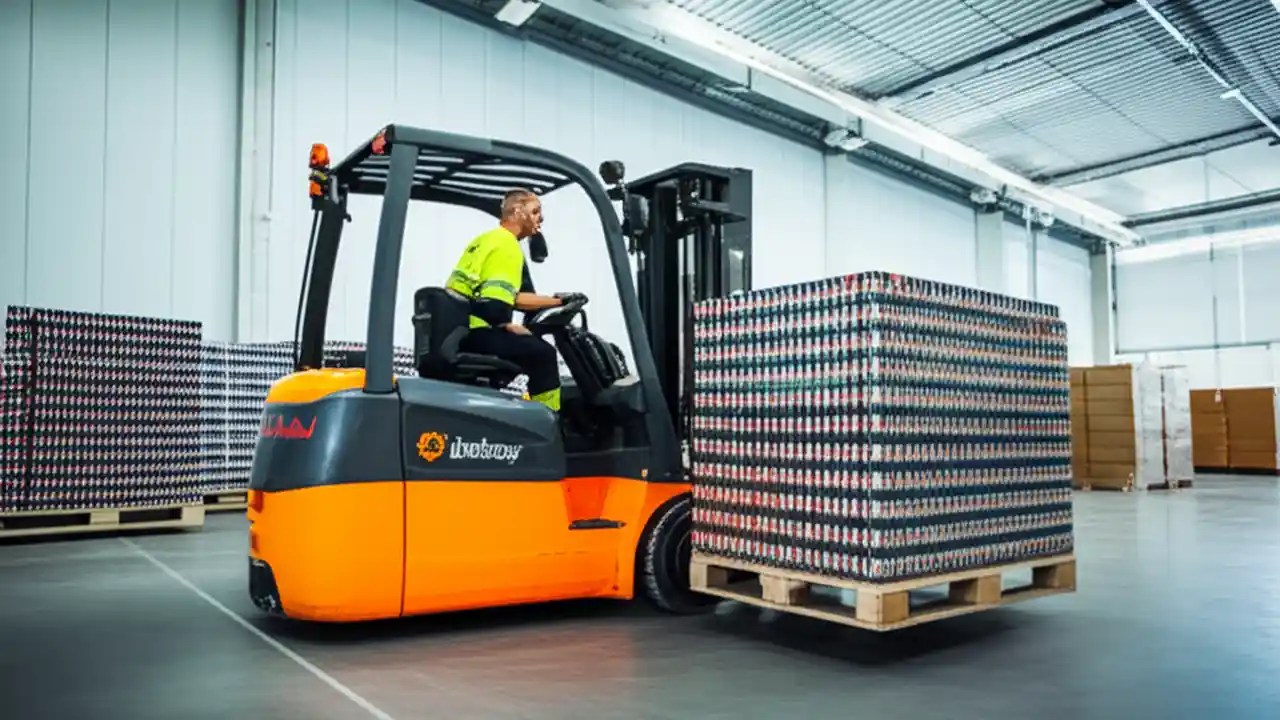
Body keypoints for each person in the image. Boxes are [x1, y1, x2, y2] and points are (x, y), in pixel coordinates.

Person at [445, 188, 574, 412]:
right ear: (516, 211)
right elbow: (494, 307)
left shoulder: (485, 239)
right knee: (543, 354)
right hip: (477, 332)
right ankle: (550, 420)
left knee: (525, 345)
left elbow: (509, 297)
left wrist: (558, 302)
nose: (540, 219)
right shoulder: (507, 245)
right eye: (535, 212)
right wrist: (508, 326)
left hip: (460, 329)